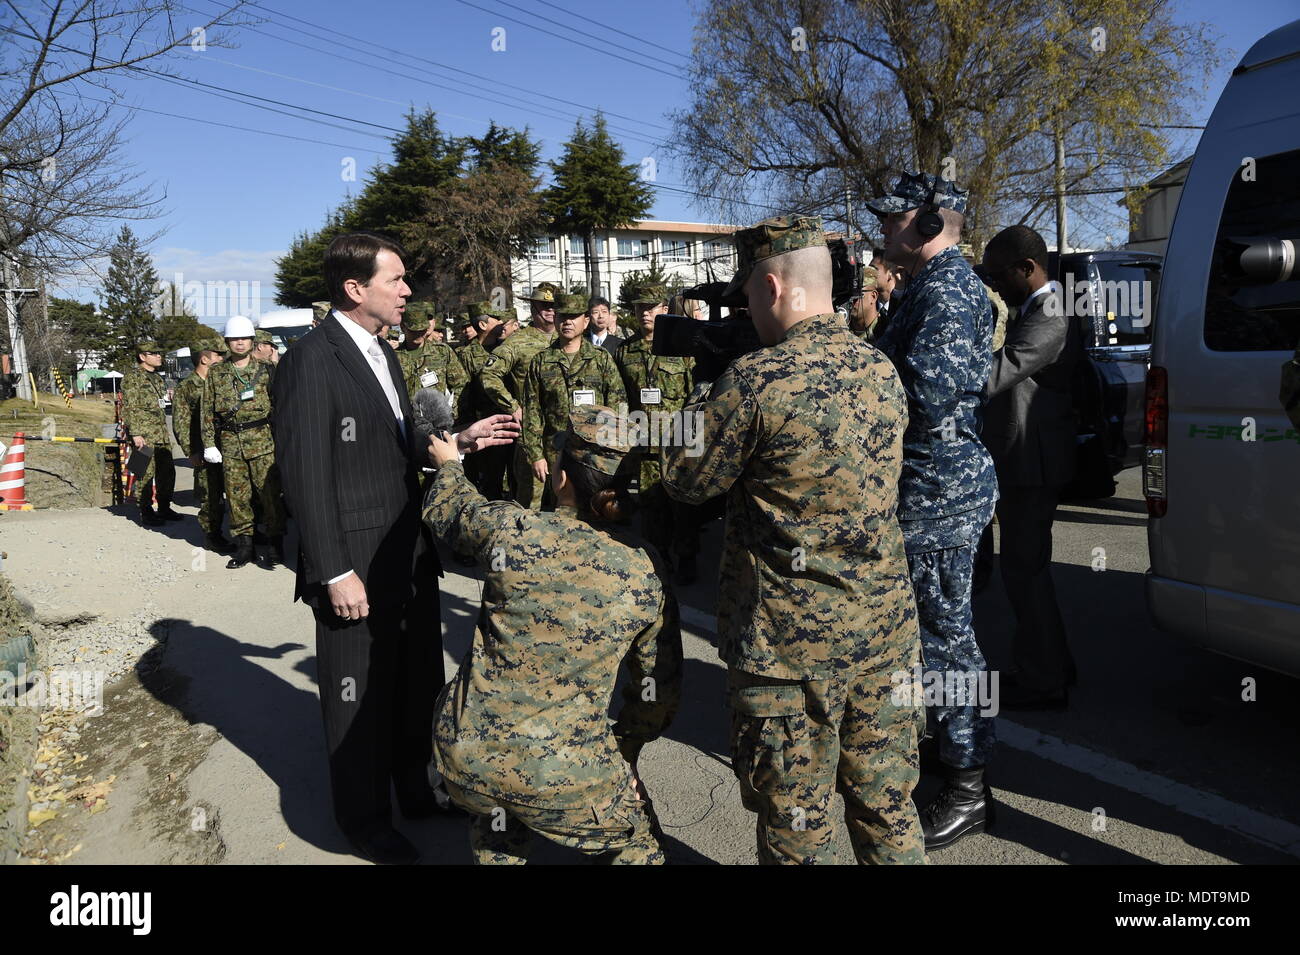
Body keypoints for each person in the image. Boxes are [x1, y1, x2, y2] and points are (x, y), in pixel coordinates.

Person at [662, 215, 925, 865]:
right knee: (889, 806)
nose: (745, 311)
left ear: (773, 287)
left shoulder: (753, 381)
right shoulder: (880, 368)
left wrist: (705, 392)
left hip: (789, 652)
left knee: (797, 821)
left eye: (746, 295)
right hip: (885, 634)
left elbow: (686, 482)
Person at [271, 232, 519, 865]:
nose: (408, 290)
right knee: (357, 698)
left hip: (407, 554)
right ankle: (363, 821)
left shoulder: (384, 351)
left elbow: (395, 443)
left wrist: (459, 441)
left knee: (415, 684)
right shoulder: (310, 359)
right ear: (355, 288)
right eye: (397, 280)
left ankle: (417, 790)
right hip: (354, 562)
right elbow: (306, 475)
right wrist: (334, 570)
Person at [423, 404, 682, 865]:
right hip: (568, 778)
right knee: (636, 847)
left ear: (560, 478)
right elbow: (656, 689)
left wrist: (449, 461)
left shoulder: (512, 530)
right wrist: (624, 750)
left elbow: (453, 509)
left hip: (468, 759)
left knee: (497, 821)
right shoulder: (644, 568)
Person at [867, 171, 998, 851]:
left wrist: (853, 387)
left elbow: (927, 396)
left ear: (925, 222)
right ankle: (938, 758)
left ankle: (969, 787)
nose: (882, 228)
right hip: (922, 491)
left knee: (948, 644)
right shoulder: (927, 286)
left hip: (939, 495)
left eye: (892, 218)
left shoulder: (946, 291)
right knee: (926, 639)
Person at [979, 225, 1080, 709]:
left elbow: (1000, 373)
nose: (996, 286)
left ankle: (1044, 680)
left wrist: (941, 371)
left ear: (1028, 268)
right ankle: (1051, 666)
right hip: (1025, 458)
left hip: (1032, 464)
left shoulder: (1051, 313)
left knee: (1025, 572)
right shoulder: (1037, 308)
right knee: (1026, 570)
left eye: (1000, 275)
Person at [617, 284, 702, 584]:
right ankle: (658, 560)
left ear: (664, 309)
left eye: (650, 307)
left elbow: (697, 396)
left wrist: (695, 443)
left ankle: (687, 558)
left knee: (684, 506)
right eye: (639, 308)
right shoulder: (625, 351)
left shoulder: (682, 347)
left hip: (678, 443)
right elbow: (621, 399)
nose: (644, 313)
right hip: (644, 444)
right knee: (651, 508)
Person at [521, 293, 626, 510]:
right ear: (555, 319)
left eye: (573, 317)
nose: (567, 322)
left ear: (585, 321)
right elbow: (532, 412)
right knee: (555, 512)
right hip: (555, 456)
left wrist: (612, 452)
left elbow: (618, 405)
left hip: (593, 457)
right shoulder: (541, 362)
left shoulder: (601, 359)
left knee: (596, 512)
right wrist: (536, 455)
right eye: (562, 316)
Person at [200, 316, 286, 570]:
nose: (240, 343)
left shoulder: (266, 370)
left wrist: (283, 441)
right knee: (237, 497)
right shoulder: (217, 372)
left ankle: (275, 542)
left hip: (263, 442)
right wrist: (209, 443)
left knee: (270, 495)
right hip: (230, 443)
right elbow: (207, 410)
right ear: (227, 342)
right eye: (234, 339)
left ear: (252, 341)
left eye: (244, 338)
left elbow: (280, 407)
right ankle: (245, 546)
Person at [479, 284, 559, 506]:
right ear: (533, 308)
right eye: (544, 305)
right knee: (531, 500)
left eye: (553, 305)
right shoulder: (517, 341)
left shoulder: (568, 340)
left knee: (565, 500)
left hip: (562, 432)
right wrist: (512, 406)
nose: (550, 310)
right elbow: (489, 374)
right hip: (531, 432)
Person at [173, 336, 230, 553]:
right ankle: (212, 536)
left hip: (228, 447)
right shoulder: (187, 387)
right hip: (204, 450)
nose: (222, 358)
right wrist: (191, 451)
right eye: (218, 355)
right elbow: (181, 422)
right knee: (211, 495)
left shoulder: (222, 381)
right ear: (204, 359)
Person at [458, 301, 514, 500]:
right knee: (488, 480)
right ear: (482, 325)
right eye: (496, 319)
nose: (501, 322)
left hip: (510, 421)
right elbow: (463, 394)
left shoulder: (507, 349)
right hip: (483, 426)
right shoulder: (466, 355)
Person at [121, 340, 181, 526]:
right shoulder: (133, 377)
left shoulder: (157, 378)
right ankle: (146, 511)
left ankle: (164, 507)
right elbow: (130, 407)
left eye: (159, 353)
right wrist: (135, 433)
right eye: (153, 353)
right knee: (144, 474)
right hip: (143, 434)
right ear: (142, 356)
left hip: (160, 432)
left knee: (167, 472)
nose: (158, 356)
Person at [395, 302, 469, 405]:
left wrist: (450, 410)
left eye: (422, 330)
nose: (418, 334)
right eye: (413, 330)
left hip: (438, 413)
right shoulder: (394, 357)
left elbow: (460, 384)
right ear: (403, 327)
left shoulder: (442, 352)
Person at [587, 296, 624, 361]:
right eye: (596, 312)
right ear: (589, 316)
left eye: (604, 312)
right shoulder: (580, 342)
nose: (601, 316)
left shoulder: (620, 345)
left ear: (609, 315)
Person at [848, 268, 882, 338]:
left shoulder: (885, 330)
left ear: (873, 297)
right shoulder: (841, 328)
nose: (851, 299)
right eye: (848, 295)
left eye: (857, 294)